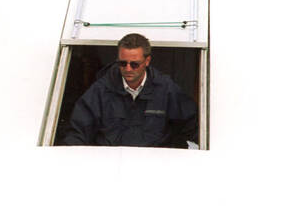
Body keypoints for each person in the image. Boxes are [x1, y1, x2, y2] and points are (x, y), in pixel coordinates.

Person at [63, 33, 199, 148]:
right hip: (109, 164)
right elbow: (77, 133)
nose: (128, 69)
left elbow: (192, 129)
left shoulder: (167, 90)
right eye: (123, 63)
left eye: (134, 64)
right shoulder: (100, 91)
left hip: (153, 166)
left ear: (147, 61)